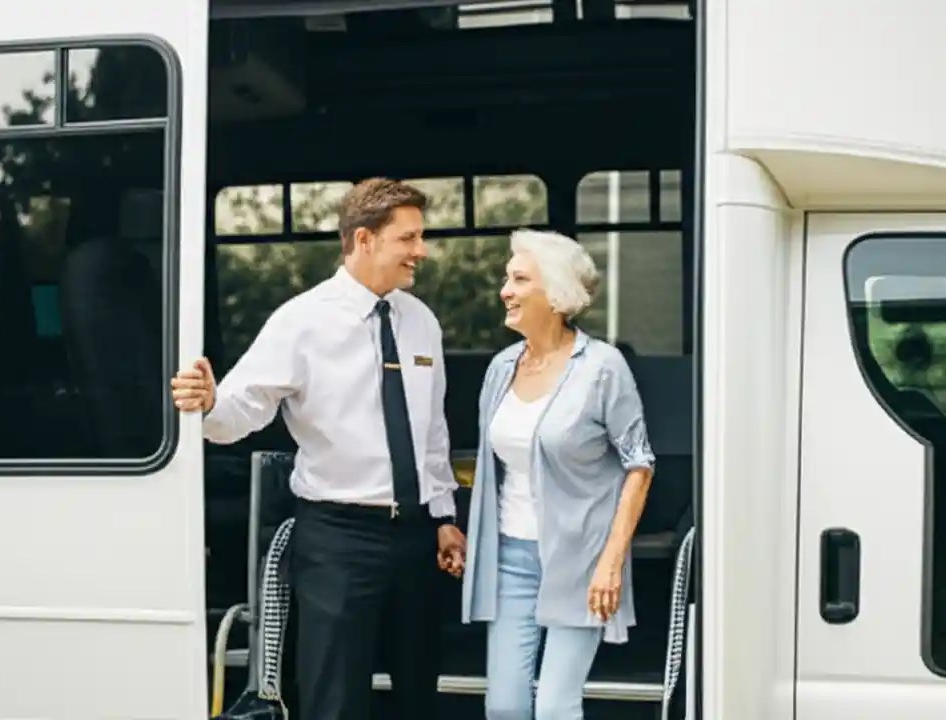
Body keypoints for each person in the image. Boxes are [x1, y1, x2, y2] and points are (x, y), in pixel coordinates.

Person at [171, 177, 467, 720]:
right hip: (338, 540)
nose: (421, 251)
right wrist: (209, 405)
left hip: (416, 537)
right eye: (408, 238)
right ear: (364, 240)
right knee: (334, 700)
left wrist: (444, 515)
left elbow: (431, 432)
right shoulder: (301, 321)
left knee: (418, 695)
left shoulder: (421, 321)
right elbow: (241, 410)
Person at [460, 229, 656, 720]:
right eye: (507, 279)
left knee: (553, 708)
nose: (504, 291)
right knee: (504, 707)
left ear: (556, 292)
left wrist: (611, 561)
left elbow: (639, 464)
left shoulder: (602, 368)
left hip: (580, 558)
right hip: (510, 557)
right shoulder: (502, 368)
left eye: (519, 279)